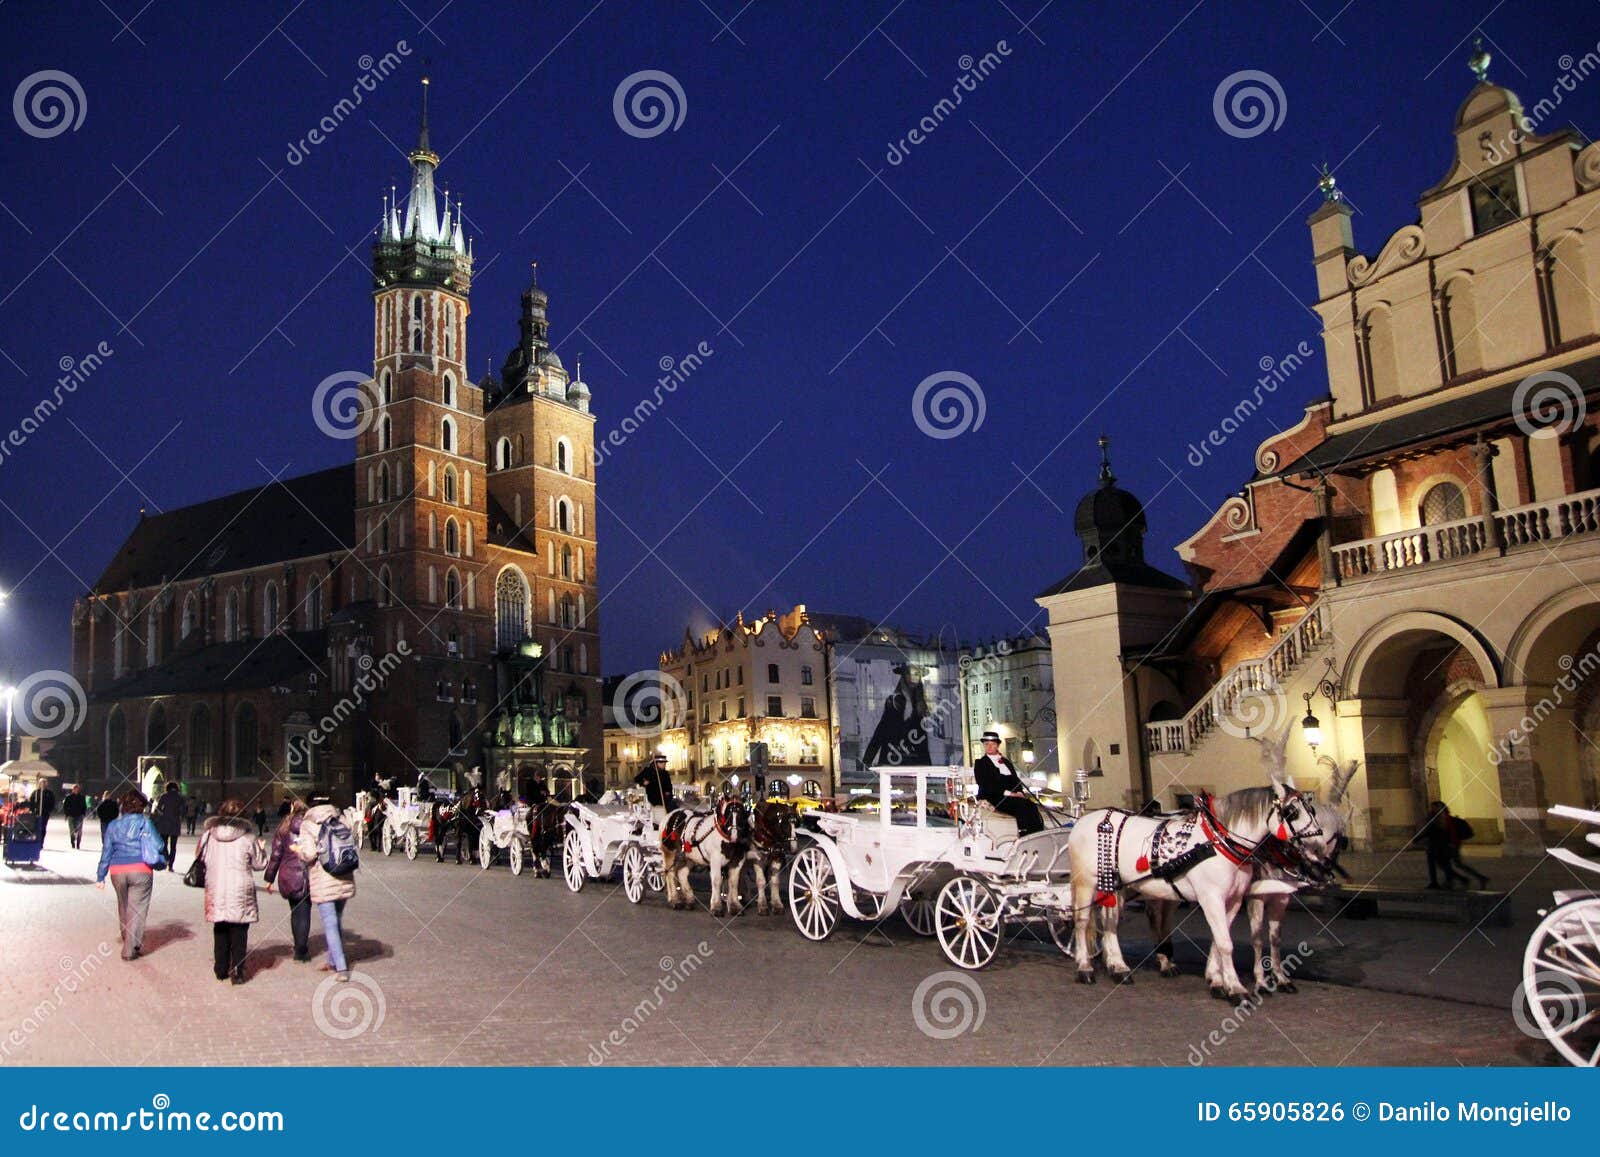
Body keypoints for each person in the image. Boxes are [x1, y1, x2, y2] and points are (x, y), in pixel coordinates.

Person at [200, 799, 267, 984]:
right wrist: (261, 850)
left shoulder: (209, 835)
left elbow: (201, 857)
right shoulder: (248, 838)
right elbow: (259, 864)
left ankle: (220, 968)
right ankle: (238, 970)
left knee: (220, 927)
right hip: (240, 888)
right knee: (239, 929)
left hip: (216, 885)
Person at [95, 790, 165, 960]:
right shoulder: (145, 823)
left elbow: (107, 851)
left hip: (118, 871)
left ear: (123, 806)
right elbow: (159, 844)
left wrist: (100, 875)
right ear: (142, 806)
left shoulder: (112, 825)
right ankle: (130, 948)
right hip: (140, 869)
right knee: (137, 909)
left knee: (123, 905)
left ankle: (127, 937)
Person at [296, 795, 357, 981]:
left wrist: (299, 851)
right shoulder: (341, 818)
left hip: (323, 878)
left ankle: (342, 968)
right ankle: (332, 961)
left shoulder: (308, 824)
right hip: (344, 875)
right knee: (336, 920)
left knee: (330, 923)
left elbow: (308, 854)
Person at [265, 799, 312, 962]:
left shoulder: (284, 827)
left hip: (288, 875)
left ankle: (298, 945)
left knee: (294, 912)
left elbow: (276, 855)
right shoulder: (311, 827)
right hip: (308, 874)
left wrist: (269, 878)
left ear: (292, 808)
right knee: (305, 912)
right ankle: (301, 950)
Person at [973, 731, 1043, 836]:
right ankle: (1024, 833)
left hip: (1012, 796)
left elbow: (1015, 780)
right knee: (1021, 805)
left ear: (997, 745)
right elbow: (986, 785)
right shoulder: (981, 763)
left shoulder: (1006, 762)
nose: (989, 746)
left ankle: (1037, 833)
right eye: (987, 744)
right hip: (994, 797)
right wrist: (1010, 794)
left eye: (992, 744)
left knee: (1031, 805)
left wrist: (1019, 792)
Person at [1418, 801, 1470, 890]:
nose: (1432, 808)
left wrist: (1418, 839)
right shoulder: (1434, 817)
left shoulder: (1442, 818)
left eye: (1434, 807)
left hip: (1440, 845)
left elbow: (1434, 831)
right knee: (1441, 864)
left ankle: (1458, 880)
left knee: (1444, 865)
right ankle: (1440, 882)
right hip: (1435, 844)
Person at [1446, 806, 1489, 888]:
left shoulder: (1447, 820)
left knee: (1451, 864)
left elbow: (1452, 834)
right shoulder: (1444, 820)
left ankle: (1461, 880)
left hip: (1451, 845)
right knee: (1451, 864)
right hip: (1450, 845)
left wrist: (1451, 844)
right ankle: (1454, 881)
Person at [634, 754, 676, 827]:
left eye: (665, 763)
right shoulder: (648, 770)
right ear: (657, 763)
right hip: (654, 796)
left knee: (674, 804)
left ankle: (673, 821)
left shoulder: (665, 773)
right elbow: (636, 779)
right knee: (669, 806)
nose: (664, 765)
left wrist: (668, 792)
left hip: (665, 796)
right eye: (663, 763)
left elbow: (669, 786)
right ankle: (666, 822)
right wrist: (643, 783)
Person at [152, 782, 184, 870]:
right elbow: (183, 810)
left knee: (164, 843)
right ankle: (171, 864)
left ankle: (166, 858)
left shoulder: (164, 796)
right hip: (175, 823)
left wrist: (162, 813)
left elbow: (158, 808)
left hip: (164, 823)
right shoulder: (180, 798)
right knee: (173, 846)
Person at [62, 785, 89, 849]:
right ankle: (72, 842)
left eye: (77, 789)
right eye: (75, 789)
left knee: (79, 830)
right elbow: (65, 807)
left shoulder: (82, 797)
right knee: (72, 830)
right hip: (71, 815)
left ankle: (78, 843)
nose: (76, 790)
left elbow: (84, 806)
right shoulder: (68, 797)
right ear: (73, 790)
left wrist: (83, 814)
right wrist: (66, 814)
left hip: (79, 816)